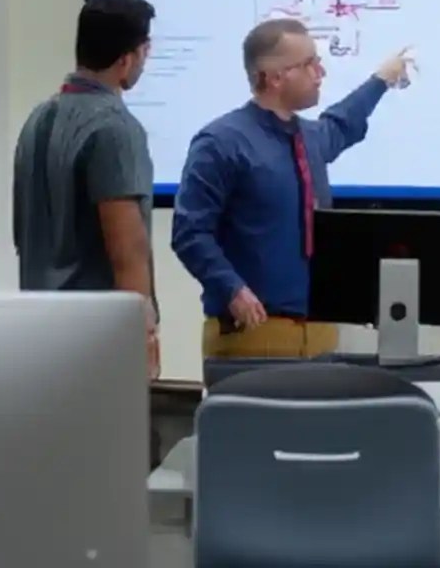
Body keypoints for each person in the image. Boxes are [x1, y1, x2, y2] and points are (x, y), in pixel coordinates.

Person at [171, 18, 413, 358]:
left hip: (318, 332)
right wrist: (232, 289)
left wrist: (381, 80)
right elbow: (190, 232)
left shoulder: (309, 138)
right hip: (254, 331)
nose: (321, 72)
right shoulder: (221, 143)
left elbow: (341, 122)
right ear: (274, 77)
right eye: (310, 64)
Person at [13, 0, 160, 375]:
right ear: (128, 59)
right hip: (95, 344)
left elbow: (22, 235)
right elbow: (127, 250)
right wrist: (141, 339)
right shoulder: (115, 128)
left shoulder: (37, 119)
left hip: (37, 333)